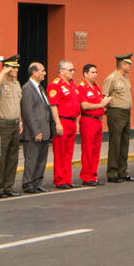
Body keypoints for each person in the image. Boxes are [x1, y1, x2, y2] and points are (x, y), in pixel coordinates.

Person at [0, 55, 23, 198]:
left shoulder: (16, 84)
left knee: (12, 157)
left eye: (16, 67)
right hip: (1, 126)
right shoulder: (0, 82)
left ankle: (8, 186)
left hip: (14, 125)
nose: (16, 70)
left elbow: (17, 105)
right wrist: (3, 71)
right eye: (13, 67)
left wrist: (20, 121)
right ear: (6, 68)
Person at [47, 60, 81, 189]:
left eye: (73, 70)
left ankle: (68, 178)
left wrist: (77, 122)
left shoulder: (72, 85)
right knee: (60, 152)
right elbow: (54, 106)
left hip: (72, 121)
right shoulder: (55, 85)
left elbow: (76, 105)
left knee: (69, 152)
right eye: (70, 70)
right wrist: (58, 124)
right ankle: (60, 179)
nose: (72, 72)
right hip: (62, 120)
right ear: (61, 71)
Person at [20, 62, 53, 193]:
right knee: (32, 159)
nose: (44, 73)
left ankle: (37, 182)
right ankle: (28, 183)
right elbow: (28, 112)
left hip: (44, 130)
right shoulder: (27, 88)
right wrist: (36, 131)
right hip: (34, 132)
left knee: (41, 159)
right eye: (42, 71)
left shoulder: (40, 88)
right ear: (34, 72)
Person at [103, 54, 134, 182]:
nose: (130, 66)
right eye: (128, 63)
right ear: (122, 64)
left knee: (124, 143)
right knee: (115, 142)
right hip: (115, 112)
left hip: (126, 112)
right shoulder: (111, 78)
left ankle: (122, 171)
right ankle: (112, 173)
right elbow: (105, 96)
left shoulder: (126, 78)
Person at [77, 63, 109, 186]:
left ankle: (93, 175)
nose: (95, 75)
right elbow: (84, 105)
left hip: (98, 121)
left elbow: (100, 102)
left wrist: (104, 106)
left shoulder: (96, 87)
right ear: (85, 74)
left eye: (96, 72)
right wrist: (100, 105)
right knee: (88, 150)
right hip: (88, 121)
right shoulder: (82, 87)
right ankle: (86, 176)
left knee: (96, 150)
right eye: (92, 72)